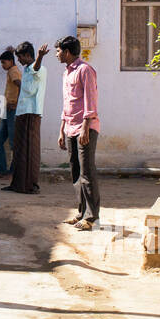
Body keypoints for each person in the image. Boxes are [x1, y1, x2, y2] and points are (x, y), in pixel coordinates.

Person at [56, 36, 102, 229]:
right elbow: (67, 103)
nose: (57, 54)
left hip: (85, 129)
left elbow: (90, 101)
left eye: (58, 51)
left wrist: (85, 127)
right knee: (75, 172)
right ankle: (81, 212)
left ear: (67, 52)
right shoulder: (66, 73)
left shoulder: (85, 70)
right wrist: (61, 130)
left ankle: (92, 218)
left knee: (87, 172)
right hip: (70, 128)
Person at [4, 41, 48, 194]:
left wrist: (40, 57)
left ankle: (29, 185)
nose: (19, 60)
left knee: (29, 150)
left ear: (28, 56)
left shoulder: (38, 69)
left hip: (32, 113)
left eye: (21, 57)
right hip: (22, 112)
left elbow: (36, 68)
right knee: (19, 150)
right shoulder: (27, 69)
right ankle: (18, 184)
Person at [0, 47, 21, 177]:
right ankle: (3, 170)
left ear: (10, 61)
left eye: (4, 63)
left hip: (12, 111)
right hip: (7, 110)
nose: (2, 66)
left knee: (13, 143)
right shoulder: (11, 70)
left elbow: (21, 85)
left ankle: (14, 171)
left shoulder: (13, 71)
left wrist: (17, 104)